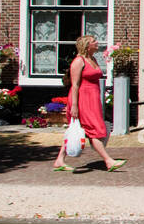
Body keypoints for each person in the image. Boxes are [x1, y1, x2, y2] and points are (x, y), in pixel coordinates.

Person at [53, 35, 126, 172]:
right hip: (82, 100)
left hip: (92, 99)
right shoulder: (78, 61)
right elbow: (75, 85)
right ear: (87, 46)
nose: (97, 43)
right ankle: (108, 161)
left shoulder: (92, 59)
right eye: (94, 41)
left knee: (79, 129)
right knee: (93, 130)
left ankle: (59, 160)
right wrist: (74, 105)